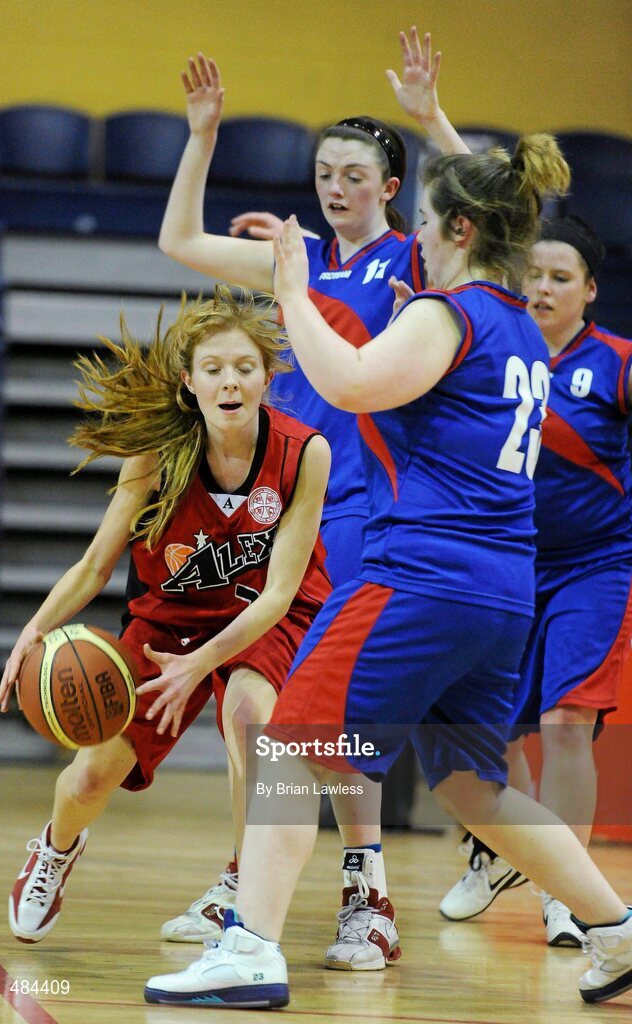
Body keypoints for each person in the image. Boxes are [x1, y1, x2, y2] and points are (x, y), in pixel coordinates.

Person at [144, 139, 632, 1010]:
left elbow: (353, 383)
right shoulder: (517, 323)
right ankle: (616, 930)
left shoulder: (452, 313)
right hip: (502, 591)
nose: (415, 236)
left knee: (295, 736)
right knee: (467, 782)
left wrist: (293, 294)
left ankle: (249, 949)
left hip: (423, 576)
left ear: (460, 226)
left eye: (423, 222)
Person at [155, 28, 465, 969]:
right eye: (325, 171)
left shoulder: (412, 261)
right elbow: (176, 240)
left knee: (334, 714)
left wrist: (431, 119)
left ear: (392, 187)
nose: (336, 187)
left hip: (370, 513)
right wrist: (202, 137)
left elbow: (492, 217)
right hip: (289, 512)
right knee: (262, 711)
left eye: (355, 173)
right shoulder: (297, 262)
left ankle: (365, 894)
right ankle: (250, 877)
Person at [0, 285, 331, 944]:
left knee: (248, 717)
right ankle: (56, 848)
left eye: (243, 367)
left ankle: (242, 890)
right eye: (214, 369)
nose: (230, 381)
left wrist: (202, 665)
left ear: (267, 375)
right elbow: (95, 566)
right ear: (190, 380)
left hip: (266, 616)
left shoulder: (304, 454)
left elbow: (279, 596)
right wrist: (34, 629)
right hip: (168, 619)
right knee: (92, 774)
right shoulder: (155, 452)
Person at [439, 215, 632, 946]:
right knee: (491, 734)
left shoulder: (615, 361)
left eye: (561, 277)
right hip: (505, 561)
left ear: (589, 290)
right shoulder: (489, 350)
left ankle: (570, 893)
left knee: (566, 723)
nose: (544, 287)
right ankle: (507, 854)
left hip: (596, 566)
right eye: (534, 274)